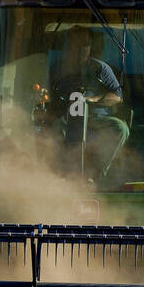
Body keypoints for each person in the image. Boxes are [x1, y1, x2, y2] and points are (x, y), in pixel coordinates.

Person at [48, 25, 130, 181]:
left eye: (85, 44)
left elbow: (117, 96)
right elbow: (47, 97)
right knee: (52, 130)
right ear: (68, 46)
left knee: (120, 128)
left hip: (96, 120)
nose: (80, 49)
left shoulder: (101, 68)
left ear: (90, 47)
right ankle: (59, 176)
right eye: (75, 44)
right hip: (67, 119)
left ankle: (95, 175)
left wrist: (92, 100)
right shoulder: (56, 69)